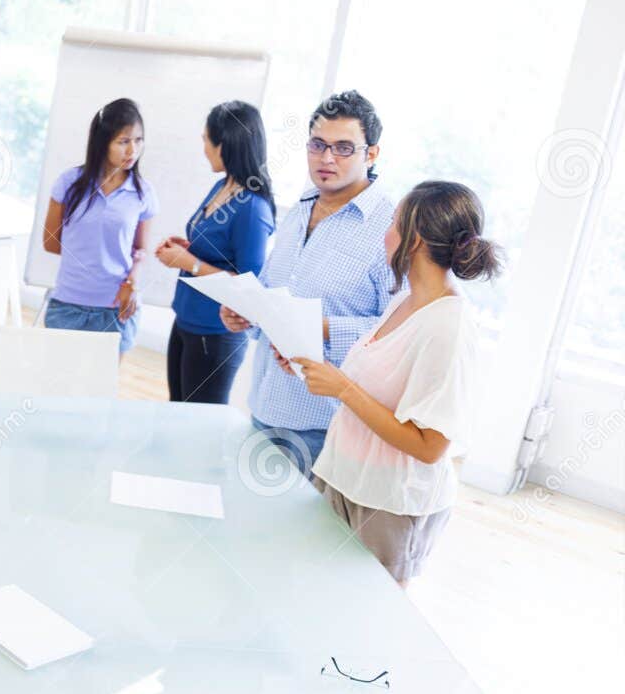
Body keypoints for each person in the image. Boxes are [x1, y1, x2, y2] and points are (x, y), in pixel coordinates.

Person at [292, 181, 502, 585]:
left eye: (392, 222)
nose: (385, 233)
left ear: (415, 238)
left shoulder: (448, 326)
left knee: (364, 627)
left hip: (388, 506)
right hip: (344, 480)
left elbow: (430, 446)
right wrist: (317, 370)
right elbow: (376, 382)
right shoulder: (406, 300)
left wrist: (342, 388)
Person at [221, 91, 393, 477]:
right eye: (318, 145)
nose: (326, 158)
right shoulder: (300, 207)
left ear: (372, 154)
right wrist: (245, 313)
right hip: (266, 402)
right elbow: (273, 291)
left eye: (344, 148)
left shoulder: (391, 229)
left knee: (300, 536)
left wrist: (318, 327)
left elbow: (397, 335)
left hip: (326, 426)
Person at [155, 101, 277, 404]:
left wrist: (190, 263)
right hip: (186, 319)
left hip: (215, 332)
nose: (204, 149)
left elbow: (249, 285)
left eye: (207, 141)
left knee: (197, 426)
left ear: (226, 145)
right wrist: (187, 249)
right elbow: (216, 248)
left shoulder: (252, 208)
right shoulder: (222, 186)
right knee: (177, 409)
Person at [41, 98, 157, 355]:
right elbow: (50, 241)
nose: (132, 151)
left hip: (116, 310)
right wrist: (89, 256)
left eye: (138, 140)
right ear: (102, 142)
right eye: (123, 141)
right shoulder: (69, 183)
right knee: (58, 389)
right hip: (67, 305)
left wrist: (132, 283)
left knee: (100, 393)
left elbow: (141, 250)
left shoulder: (143, 193)